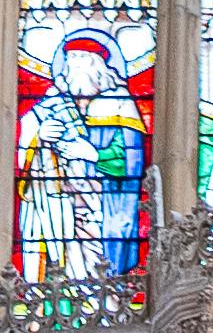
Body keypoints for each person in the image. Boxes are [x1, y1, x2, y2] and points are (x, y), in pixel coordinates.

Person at [17, 27, 148, 274]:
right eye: (70, 61)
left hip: (104, 203)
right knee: (65, 257)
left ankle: (104, 298)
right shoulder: (53, 103)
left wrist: (91, 153)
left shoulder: (120, 102)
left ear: (97, 65)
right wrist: (40, 137)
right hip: (61, 203)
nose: (72, 67)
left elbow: (131, 160)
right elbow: (26, 143)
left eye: (80, 60)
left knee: (98, 265)